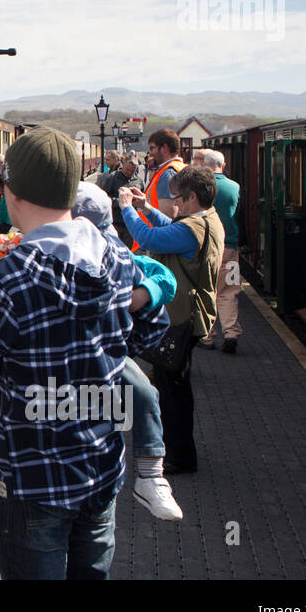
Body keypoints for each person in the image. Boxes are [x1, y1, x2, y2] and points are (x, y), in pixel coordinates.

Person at [0, 129, 169, 579]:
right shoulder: (119, 259)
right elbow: (148, 336)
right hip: (101, 474)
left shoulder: (3, 280)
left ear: (10, 192)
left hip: (31, 484)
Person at [72, 183, 183, 521]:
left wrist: (144, 293)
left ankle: (150, 475)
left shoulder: (116, 254)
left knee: (146, 394)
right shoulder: (46, 252)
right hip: (64, 358)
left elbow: (165, 278)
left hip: (103, 354)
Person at [119, 166, 224, 474]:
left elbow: (149, 236)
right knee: (174, 386)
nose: (176, 203)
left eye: (179, 198)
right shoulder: (206, 219)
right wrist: (147, 208)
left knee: (173, 391)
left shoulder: (191, 227)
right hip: (190, 315)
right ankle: (178, 451)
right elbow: (171, 228)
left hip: (180, 317)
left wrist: (127, 209)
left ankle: (180, 455)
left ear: (192, 196)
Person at [199, 149, 241, 354]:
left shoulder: (199, 188)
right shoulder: (235, 187)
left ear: (205, 165)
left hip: (206, 248)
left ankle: (207, 335)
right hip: (231, 248)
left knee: (207, 290)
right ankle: (231, 332)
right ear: (223, 166)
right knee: (229, 291)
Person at [130, 129, 185, 252]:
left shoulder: (167, 174)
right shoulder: (181, 168)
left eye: (153, 148)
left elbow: (169, 215)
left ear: (164, 148)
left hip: (153, 243)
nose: (151, 152)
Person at [103, 154, 144, 245]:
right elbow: (104, 198)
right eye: (127, 170)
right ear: (122, 165)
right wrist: (119, 201)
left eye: (133, 170)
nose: (129, 173)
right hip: (115, 223)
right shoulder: (113, 178)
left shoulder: (139, 181)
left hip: (130, 225)